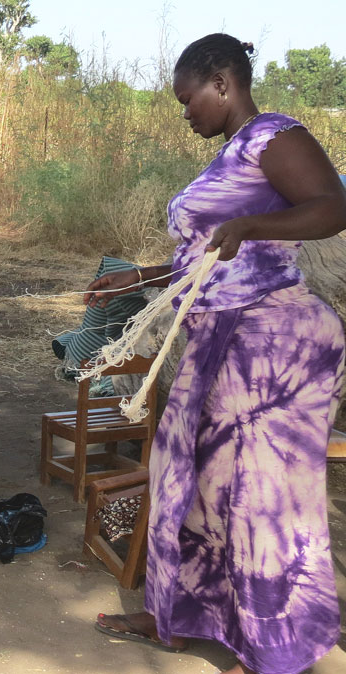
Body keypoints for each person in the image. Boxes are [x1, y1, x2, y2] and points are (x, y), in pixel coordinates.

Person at [86, 34, 346, 674]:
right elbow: (206, 254)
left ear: (222, 82)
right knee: (188, 477)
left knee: (262, 499)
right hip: (219, 337)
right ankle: (177, 614)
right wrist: (141, 276)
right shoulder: (230, 153)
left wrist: (255, 225)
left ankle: (272, 650)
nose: (185, 113)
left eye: (188, 99)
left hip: (275, 347)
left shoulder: (273, 136)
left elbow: (334, 207)